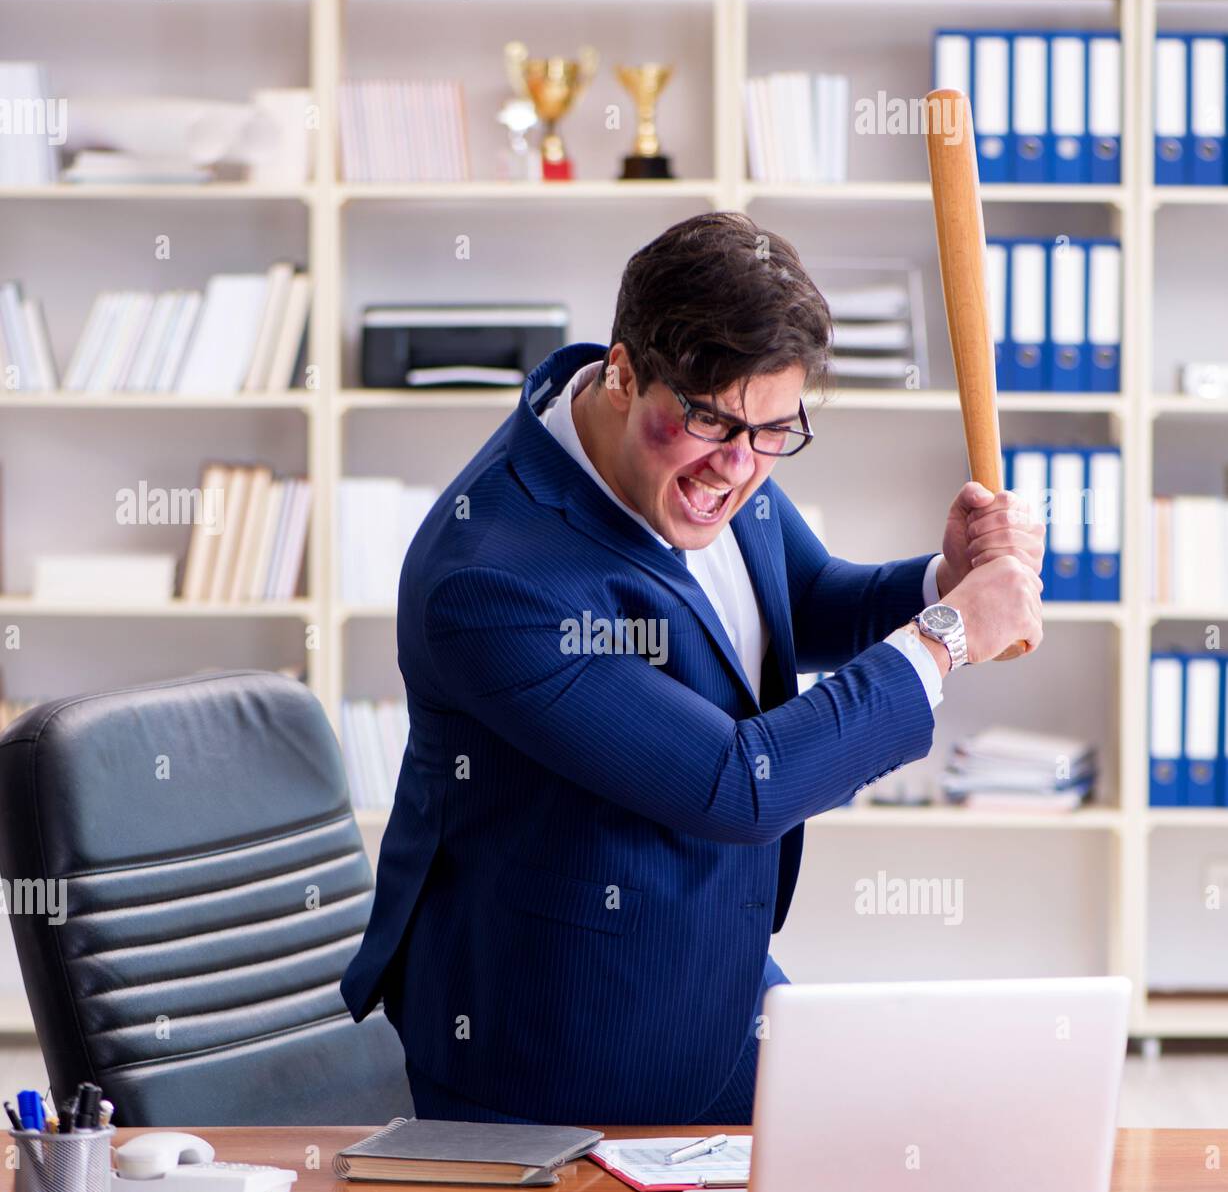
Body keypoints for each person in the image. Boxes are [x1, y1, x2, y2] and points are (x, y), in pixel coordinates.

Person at [341, 212, 1044, 1126]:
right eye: (712, 424)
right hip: (558, 1032)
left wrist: (942, 579)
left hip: (711, 968)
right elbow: (738, 784)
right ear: (625, 372)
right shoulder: (493, 582)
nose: (741, 467)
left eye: (774, 430)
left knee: (908, 1164)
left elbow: (809, 597)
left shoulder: (719, 444)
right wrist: (946, 636)